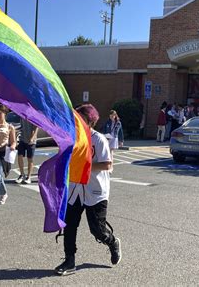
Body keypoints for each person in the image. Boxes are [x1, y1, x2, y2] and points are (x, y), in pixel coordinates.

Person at [54, 104, 121, 276]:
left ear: (90, 121)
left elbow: (107, 164)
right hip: (75, 189)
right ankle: (69, 260)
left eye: (81, 117)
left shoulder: (98, 139)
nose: (76, 120)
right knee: (69, 225)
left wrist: (85, 166)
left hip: (95, 191)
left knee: (97, 230)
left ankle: (112, 242)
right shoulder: (72, 138)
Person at [16, 118, 38, 184]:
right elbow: (21, 126)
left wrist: (33, 138)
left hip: (31, 141)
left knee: (30, 159)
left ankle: (29, 176)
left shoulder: (32, 115)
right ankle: (22, 174)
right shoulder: (22, 115)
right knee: (20, 156)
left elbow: (36, 128)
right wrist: (16, 131)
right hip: (22, 139)